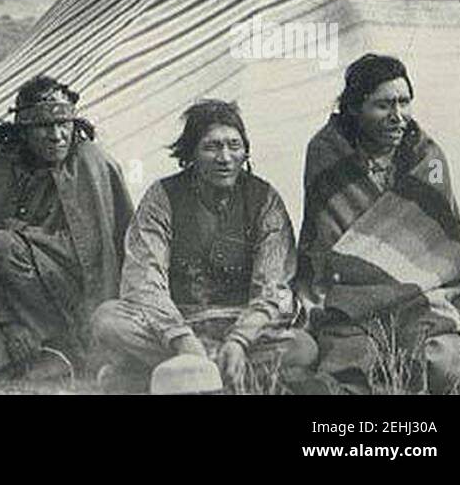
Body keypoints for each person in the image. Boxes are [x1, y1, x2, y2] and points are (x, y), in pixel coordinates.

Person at [91, 100, 317, 393]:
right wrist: (184, 341)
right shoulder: (162, 197)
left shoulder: (264, 199)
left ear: (245, 151)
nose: (225, 157)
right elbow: (144, 280)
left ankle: (163, 377)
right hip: (176, 325)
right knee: (108, 320)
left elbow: (273, 286)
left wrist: (239, 339)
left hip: (240, 325)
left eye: (234, 146)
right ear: (191, 154)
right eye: (212, 147)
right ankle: (218, 374)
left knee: (304, 348)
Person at [297, 54, 460, 394]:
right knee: (350, 368)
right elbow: (327, 246)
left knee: (446, 364)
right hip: (351, 298)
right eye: (383, 106)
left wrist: (405, 285)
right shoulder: (326, 155)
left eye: (404, 102)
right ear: (354, 108)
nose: (398, 117)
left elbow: (443, 246)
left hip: (421, 294)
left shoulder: (428, 158)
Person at [0, 76, 133, 382]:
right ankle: (53, 355)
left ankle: (63, 348)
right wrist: (7, 320)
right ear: (23, 131)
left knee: (1, 245)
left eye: (64, 124)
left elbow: (109, 254)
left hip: (79, 305)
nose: (57, 135)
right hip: (6, 306)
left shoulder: (94, 165)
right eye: (44, 126)